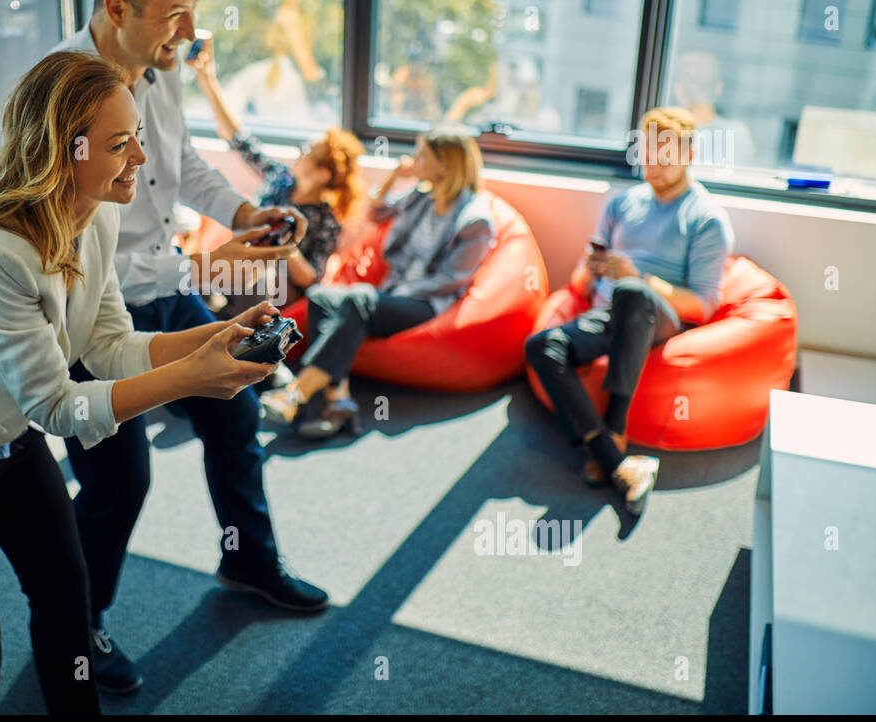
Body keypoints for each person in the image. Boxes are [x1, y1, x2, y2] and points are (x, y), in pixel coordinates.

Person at [0, 51, 280, 714]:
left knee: (66, 593)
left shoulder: (97, 212)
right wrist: (189, 377)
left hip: (3, 432)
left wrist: (211, 338)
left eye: (137, 137)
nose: (139, 157)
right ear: (62, 152)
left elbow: (106, 344)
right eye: (117, 144)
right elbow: (57, 406)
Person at [51, 0, 330, 695]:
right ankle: (76, 628)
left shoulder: (159, 64)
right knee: (118, 484)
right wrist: (214, 260)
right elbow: (84, 249)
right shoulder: (63, 91)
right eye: (175, 12)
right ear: (117, 7)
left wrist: (243, 216)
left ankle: (246, 558)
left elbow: (181, 161)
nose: (191, 30)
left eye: (194, 8)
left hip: (165, 288)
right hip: (88, 310)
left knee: (236, 420)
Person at [524, 106, 734, 516]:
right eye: (648, 153)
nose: (653, 164)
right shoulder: (622, 204)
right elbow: (581, 281)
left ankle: (616, 429)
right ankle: (613, 459)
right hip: (606, 312)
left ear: (688, 154)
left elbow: (704, 304)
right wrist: (592, 267)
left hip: (658, 314)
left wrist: (639, 277)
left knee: (632, 294)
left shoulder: (707, 218)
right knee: (540, 346)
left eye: (665, 154)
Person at [259, 125, 496, 439]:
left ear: (444, 164)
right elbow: (376, 210)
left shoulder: (474, 219)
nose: (414, 159)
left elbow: (449, 281)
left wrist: (394, 293)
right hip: (389, 295)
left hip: (425, 303)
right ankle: (336, 401)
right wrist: (397, 176)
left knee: (359, 300)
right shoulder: (421, 197)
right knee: (320, 296)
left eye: (422, 155)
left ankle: (296, 394)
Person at [189, 33, 365, 313]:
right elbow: (237, 138)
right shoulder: (280, 176)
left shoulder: (327, 220)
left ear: (321, 174)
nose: (301, 153)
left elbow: (311, 277)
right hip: (242, 264)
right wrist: (207, 80)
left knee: (260, 274)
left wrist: (284, 244)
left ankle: (239, 338)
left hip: (278, 285)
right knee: (197, 271)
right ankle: (209, 319)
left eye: (309, 151)